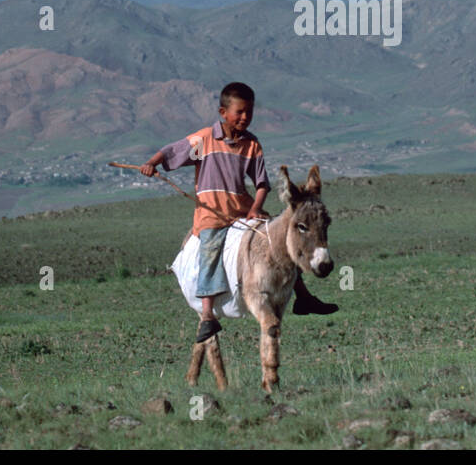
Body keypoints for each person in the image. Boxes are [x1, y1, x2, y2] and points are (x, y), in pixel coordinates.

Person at [139, 81, 337, 343]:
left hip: (244, 211)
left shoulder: (251, 144)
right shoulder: (205, 140)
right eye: (239, 112)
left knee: (280, 243)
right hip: (212, 215)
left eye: (249, 113)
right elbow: (172, 150)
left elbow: (261, 184)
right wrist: (152, 163)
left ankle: (303, 296)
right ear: (223, 113)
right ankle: (208, 315)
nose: (245, 118)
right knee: (210, 250)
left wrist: (255, 208)